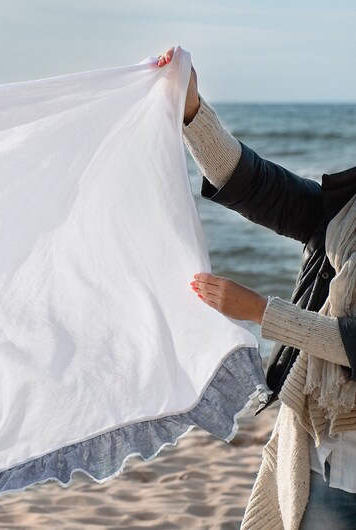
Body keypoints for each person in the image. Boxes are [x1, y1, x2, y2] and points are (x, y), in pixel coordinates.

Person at [158, 47, 356, 529]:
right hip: (328, 460)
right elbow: (254, 183)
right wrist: (192, 111)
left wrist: (261, 311)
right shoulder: (342, 216)